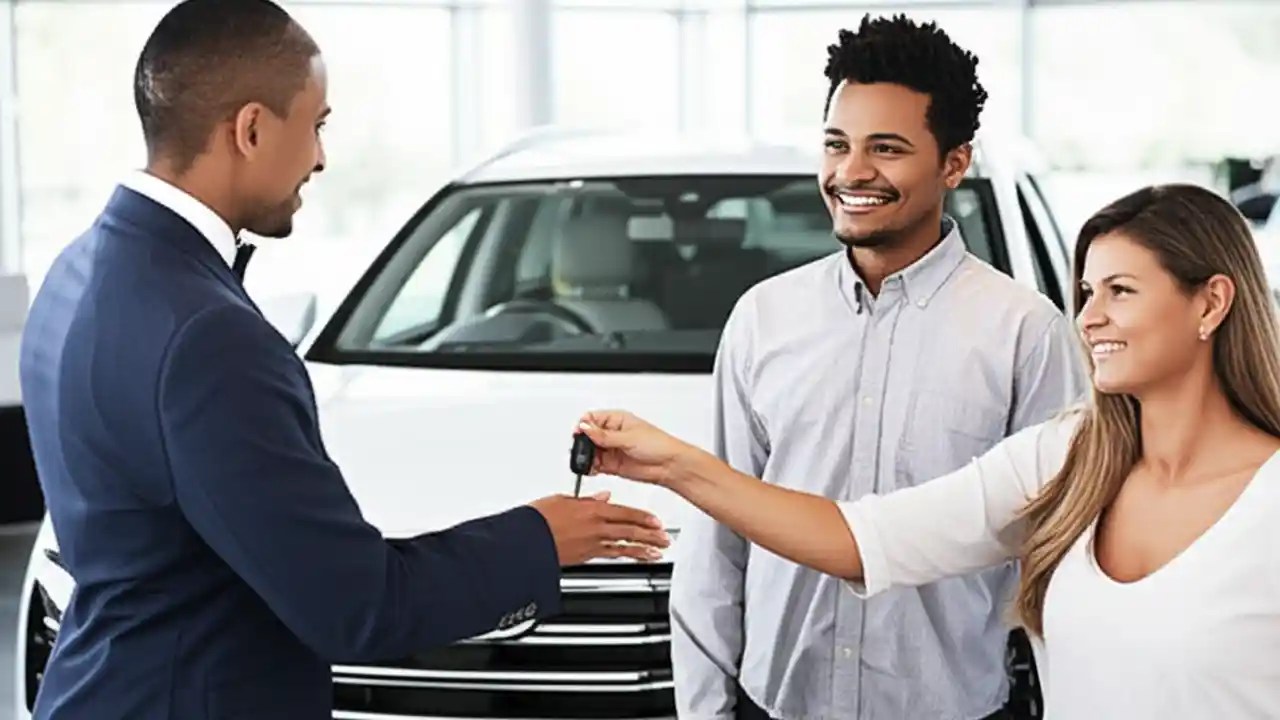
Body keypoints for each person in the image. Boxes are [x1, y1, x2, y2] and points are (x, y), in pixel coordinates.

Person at [17, 1, 668, 718]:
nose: (322, 158)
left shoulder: (76, 271)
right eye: (317, 125)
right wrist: (540, 538)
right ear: (253, 129)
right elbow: (353, 605)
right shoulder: (209, 336)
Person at [576, 183, 1280, 718]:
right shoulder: (1069, 458)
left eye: (1120, 292)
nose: (1089, 317)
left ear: (1211, 303)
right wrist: (672, 464)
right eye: (1086, 291)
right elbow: (864, 537)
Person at [664, 14, 1086, 720]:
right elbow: (717, 538)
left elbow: (1058, 556)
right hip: (776, 704)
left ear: (954, 162)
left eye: (885, 149)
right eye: (837, 145)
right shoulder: (764, 320)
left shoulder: (1025, 332)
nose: (851, 173)